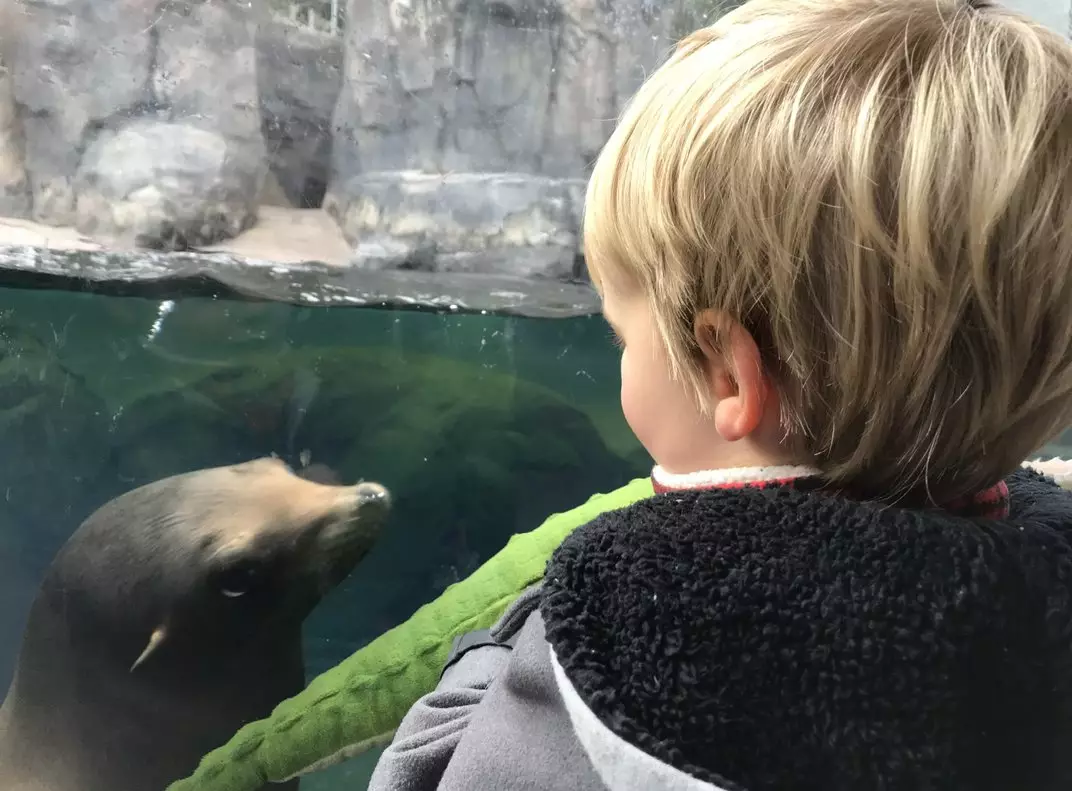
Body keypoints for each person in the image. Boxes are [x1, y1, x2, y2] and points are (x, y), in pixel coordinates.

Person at [367, 0, 1072, 789]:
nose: (620, 364)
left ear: (729, 372)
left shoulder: (618, 637)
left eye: (622, 338)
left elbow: (431, 773)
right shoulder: (1043, 599)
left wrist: (496, 652)